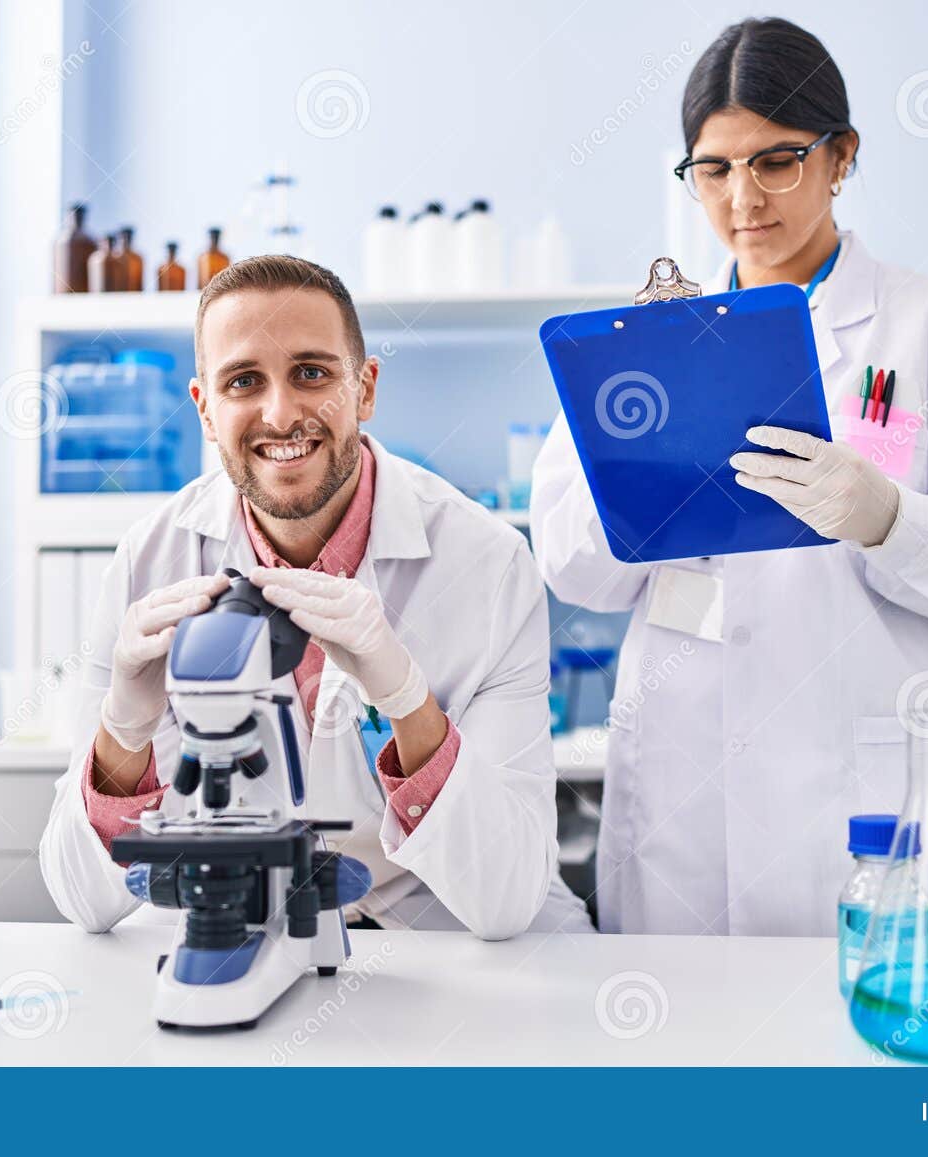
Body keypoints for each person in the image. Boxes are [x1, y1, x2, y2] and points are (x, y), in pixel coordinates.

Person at [531, 17, 928, 937]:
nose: (744, 197)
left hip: (862, 792)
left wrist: (891, 518)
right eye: (715, 168)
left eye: (777, 160)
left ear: (841, 156)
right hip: (683, 795)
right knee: (682, 1051)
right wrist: (634, 483)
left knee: (859, 1047)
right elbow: (576, 568)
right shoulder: (652, 339)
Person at [41, 254, 591, 938]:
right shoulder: (148, 562)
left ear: (364, 389)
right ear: (205, 409)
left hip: (442, 938)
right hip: (246, 927)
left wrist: (409, 706)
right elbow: (85, 902)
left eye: (311, 373)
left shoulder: (489, 563)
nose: (281, 413)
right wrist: (123, 731)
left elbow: (505, 898)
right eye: (244, 381)